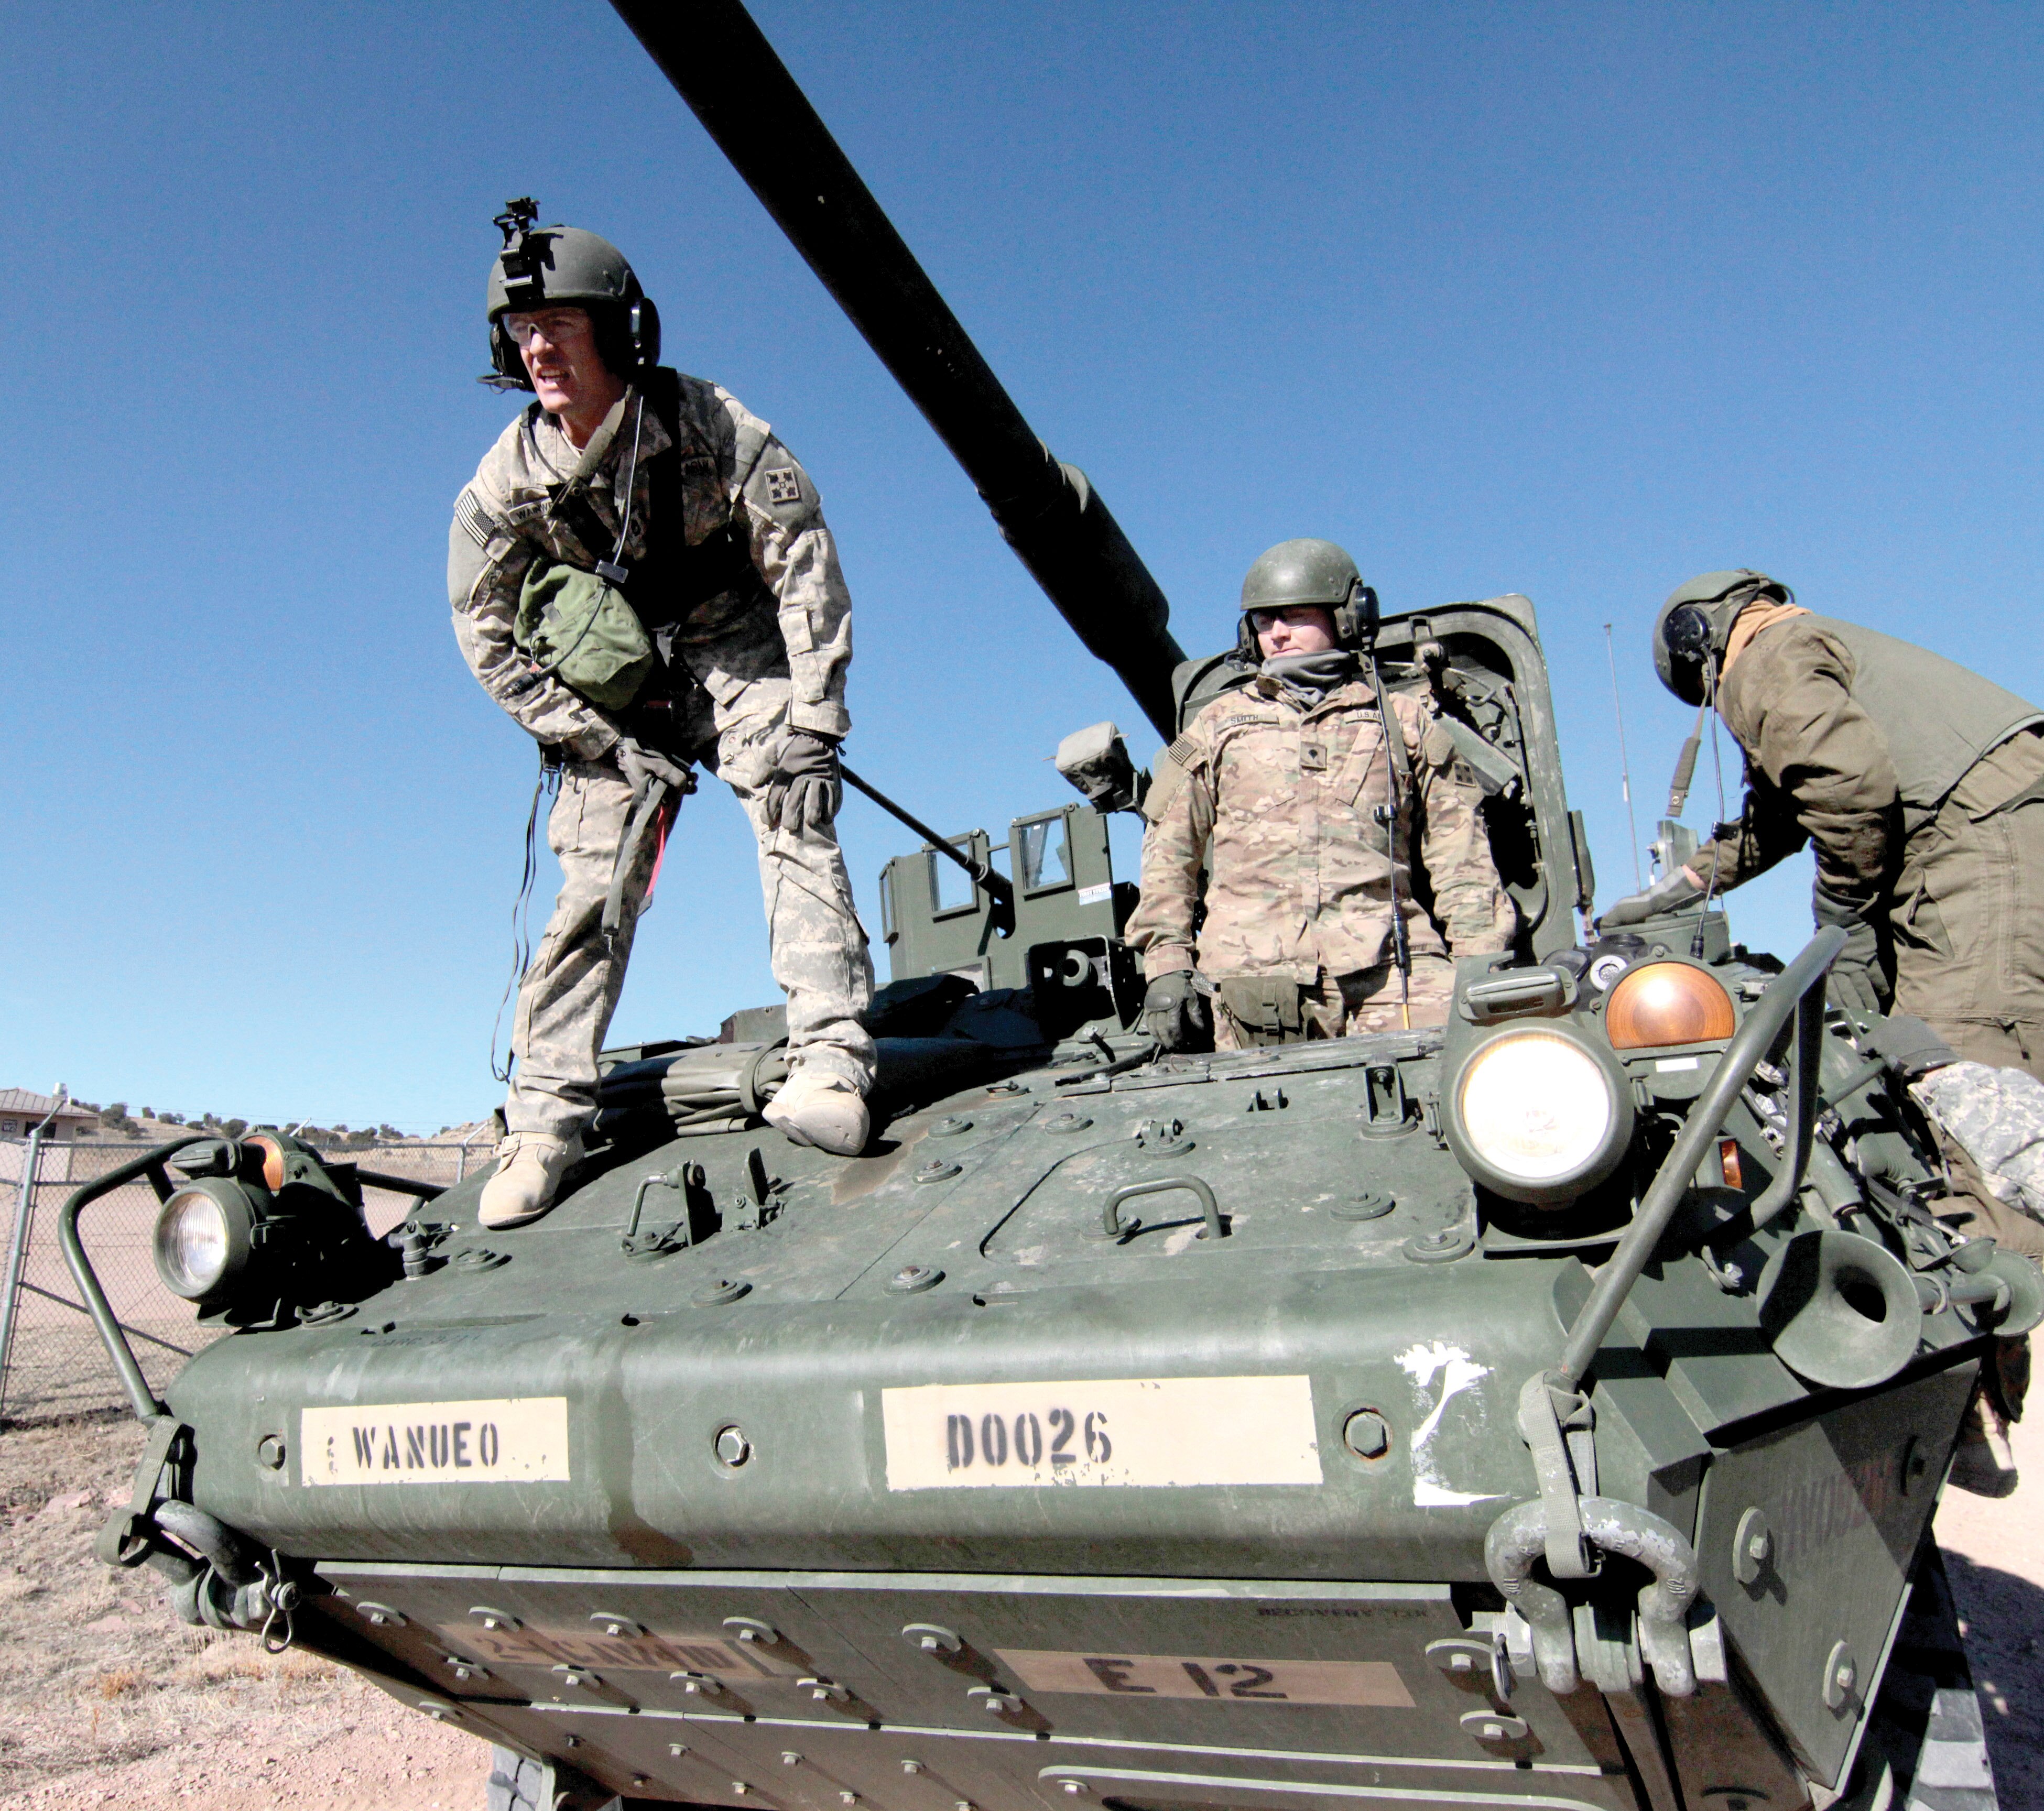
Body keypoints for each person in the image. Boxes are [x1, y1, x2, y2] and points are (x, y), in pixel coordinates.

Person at [449, 202, 875, 1227]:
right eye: (522, 331)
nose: (538, 347)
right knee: (596, 884)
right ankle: (543, 1129)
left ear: (617, 330)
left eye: (559, 323)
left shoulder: (710, 426)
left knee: (791, 811)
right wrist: (583, 731)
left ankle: (831, 1064)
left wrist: (816, 716)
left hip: (735, 641)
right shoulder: (505, 485)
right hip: (620, 691)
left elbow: (803, 565)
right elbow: (483, 625)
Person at [1605, 569, 2044, 1494]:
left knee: (1962, 1093)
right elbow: (1781, 815)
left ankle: (1970, 1393)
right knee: (1915, 1070)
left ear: (1697, 646)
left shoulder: (1762, 655)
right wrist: (1684, 887)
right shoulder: (1805, 651)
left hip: (1971, 851)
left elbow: (1846, 792)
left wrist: (1837, 921)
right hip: (1968, 836)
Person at [1126, 539, 1516, 1051]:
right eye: (1264, 621)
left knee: (1465, 1078)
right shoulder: (1217, 728)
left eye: (1295, 615)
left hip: (1391, 971)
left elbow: (1460, 853)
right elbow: (1170, 853)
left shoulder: (1404, 723)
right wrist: (1166, 964)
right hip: (1250, 985)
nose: (1278, 634)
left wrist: (1480, 956)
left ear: (1347, 618)